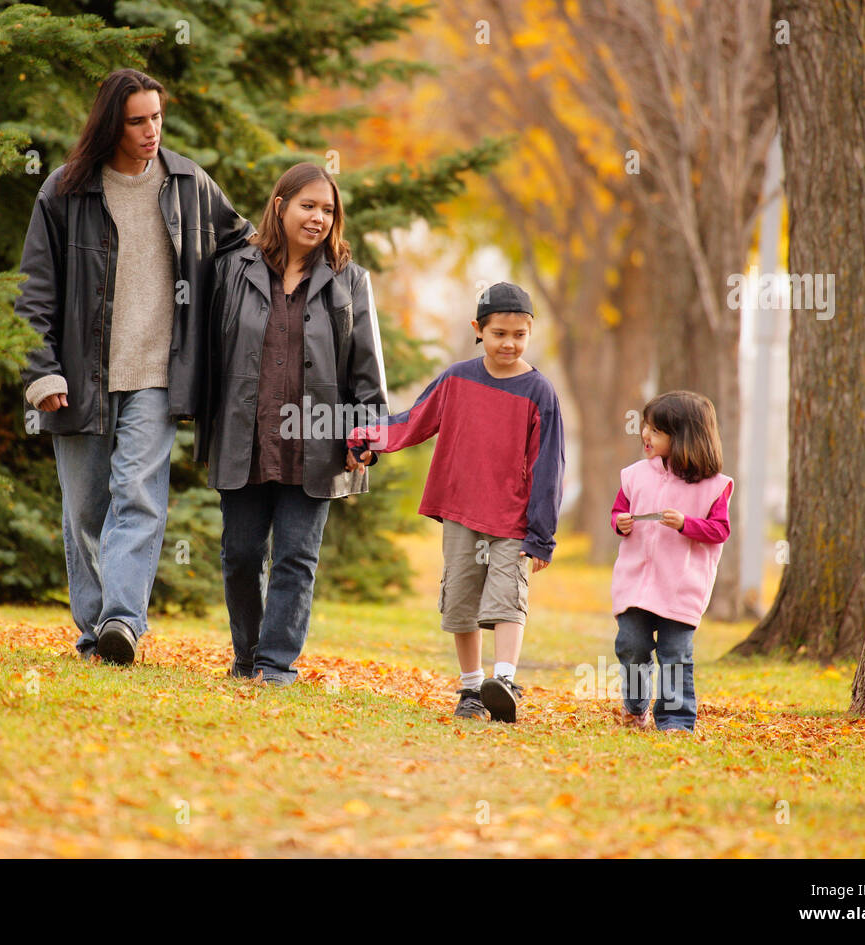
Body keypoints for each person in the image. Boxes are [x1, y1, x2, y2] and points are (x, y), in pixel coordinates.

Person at [13, 68, 254, 664]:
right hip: (79, 376)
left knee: (139, 496)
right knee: (86, 508)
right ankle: (95, 630)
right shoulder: (63, 192)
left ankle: (122, 621)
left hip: (158, 375)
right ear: (111, 124)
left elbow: (242, 245)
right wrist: (41, 374)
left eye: (157, 118)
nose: (151, 131)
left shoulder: (188, 184)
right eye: (137, 120)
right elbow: (33, 294)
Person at [198, 162, 389, 686]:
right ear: (279, 206)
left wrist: (367, 433)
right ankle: (248, 654)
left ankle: (275, 664)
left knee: (296, 558)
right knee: (239, 554)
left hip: (319, 442)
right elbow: (207, 350)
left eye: (328, 210)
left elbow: (366, 367)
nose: (319, 218)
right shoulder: (233, 268)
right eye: (308, 206)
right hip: (245, 436)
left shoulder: (350, 280)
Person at [347, 283, 565, 723]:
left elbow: (549, 467)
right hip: (461, 512)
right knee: (462, 602)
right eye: (500, 333)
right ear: (478, 330)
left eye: (519, 335)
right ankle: (470, 689)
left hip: (512, 519)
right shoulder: (458, 378)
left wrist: (542, 535)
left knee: (507, 599)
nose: (509, 343)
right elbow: (414, 420)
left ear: (530, 333)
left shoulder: (539, 392)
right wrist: (367, 439)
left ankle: (504, 682)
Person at [610, 390, 735, 733]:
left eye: (656, 430)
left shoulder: (713, 486)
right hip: (636, 583)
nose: (645, 435)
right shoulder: (635, 475)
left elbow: (720, 530)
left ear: (683, 437)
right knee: (631, 647)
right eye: (646, 427)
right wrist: (620, 522)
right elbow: (619, 510)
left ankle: (676, 720)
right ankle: (635, 708)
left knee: (675, 655)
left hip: (680, 587)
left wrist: (685, 524)